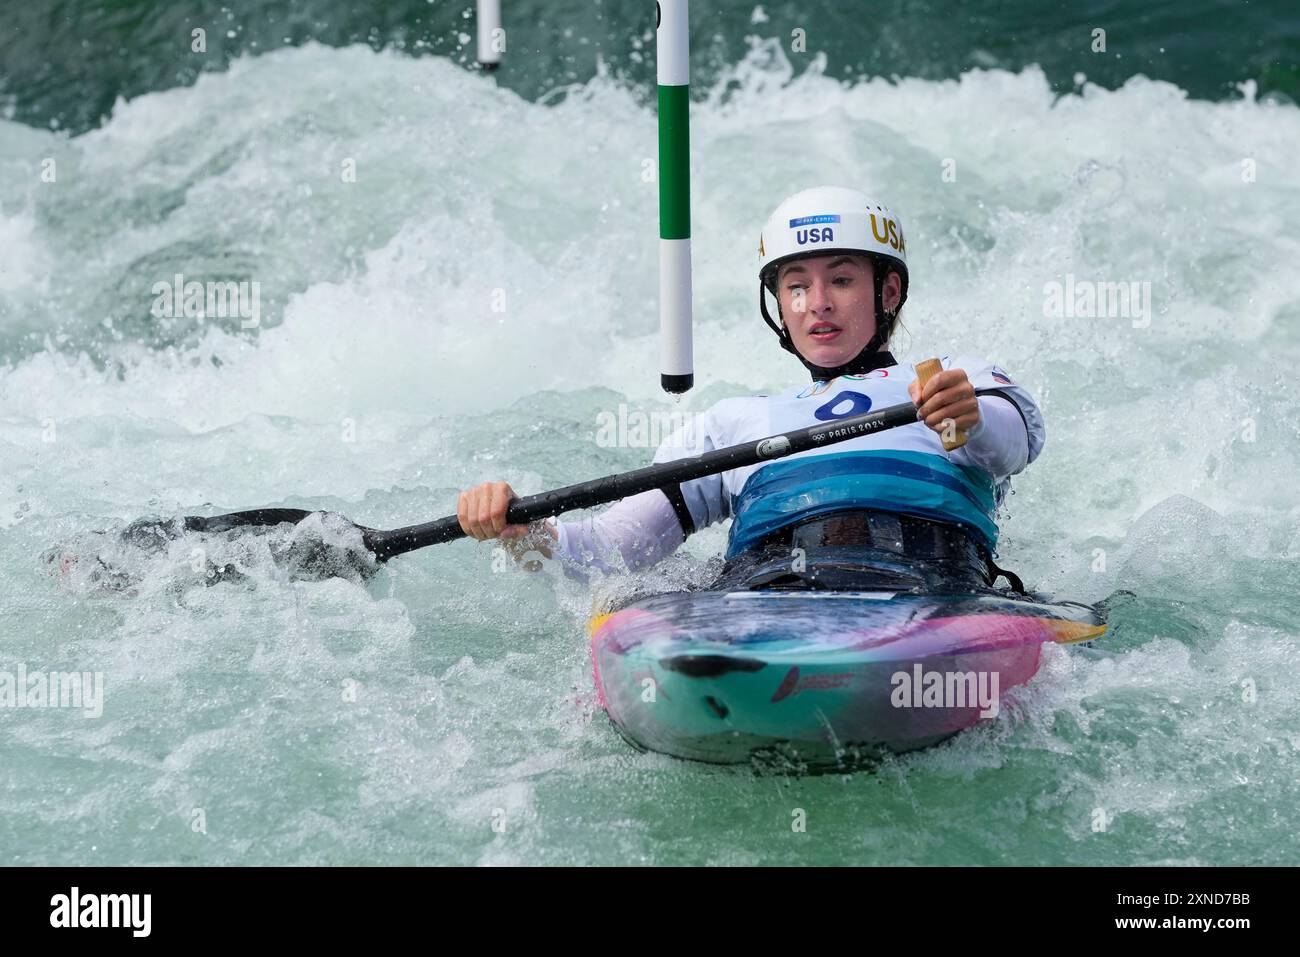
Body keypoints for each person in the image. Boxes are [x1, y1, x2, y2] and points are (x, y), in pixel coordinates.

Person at [457, 186, 1043, 593]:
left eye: (841, 279)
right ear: (780, 306)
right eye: (796, 286)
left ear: (887, 292)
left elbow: (1011, 444)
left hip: (934, 586)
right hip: (766, 594)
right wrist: (519, 532)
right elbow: (611, 553)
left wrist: (967, 418)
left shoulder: (951, 381)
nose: (818, 304)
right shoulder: (735, 422)